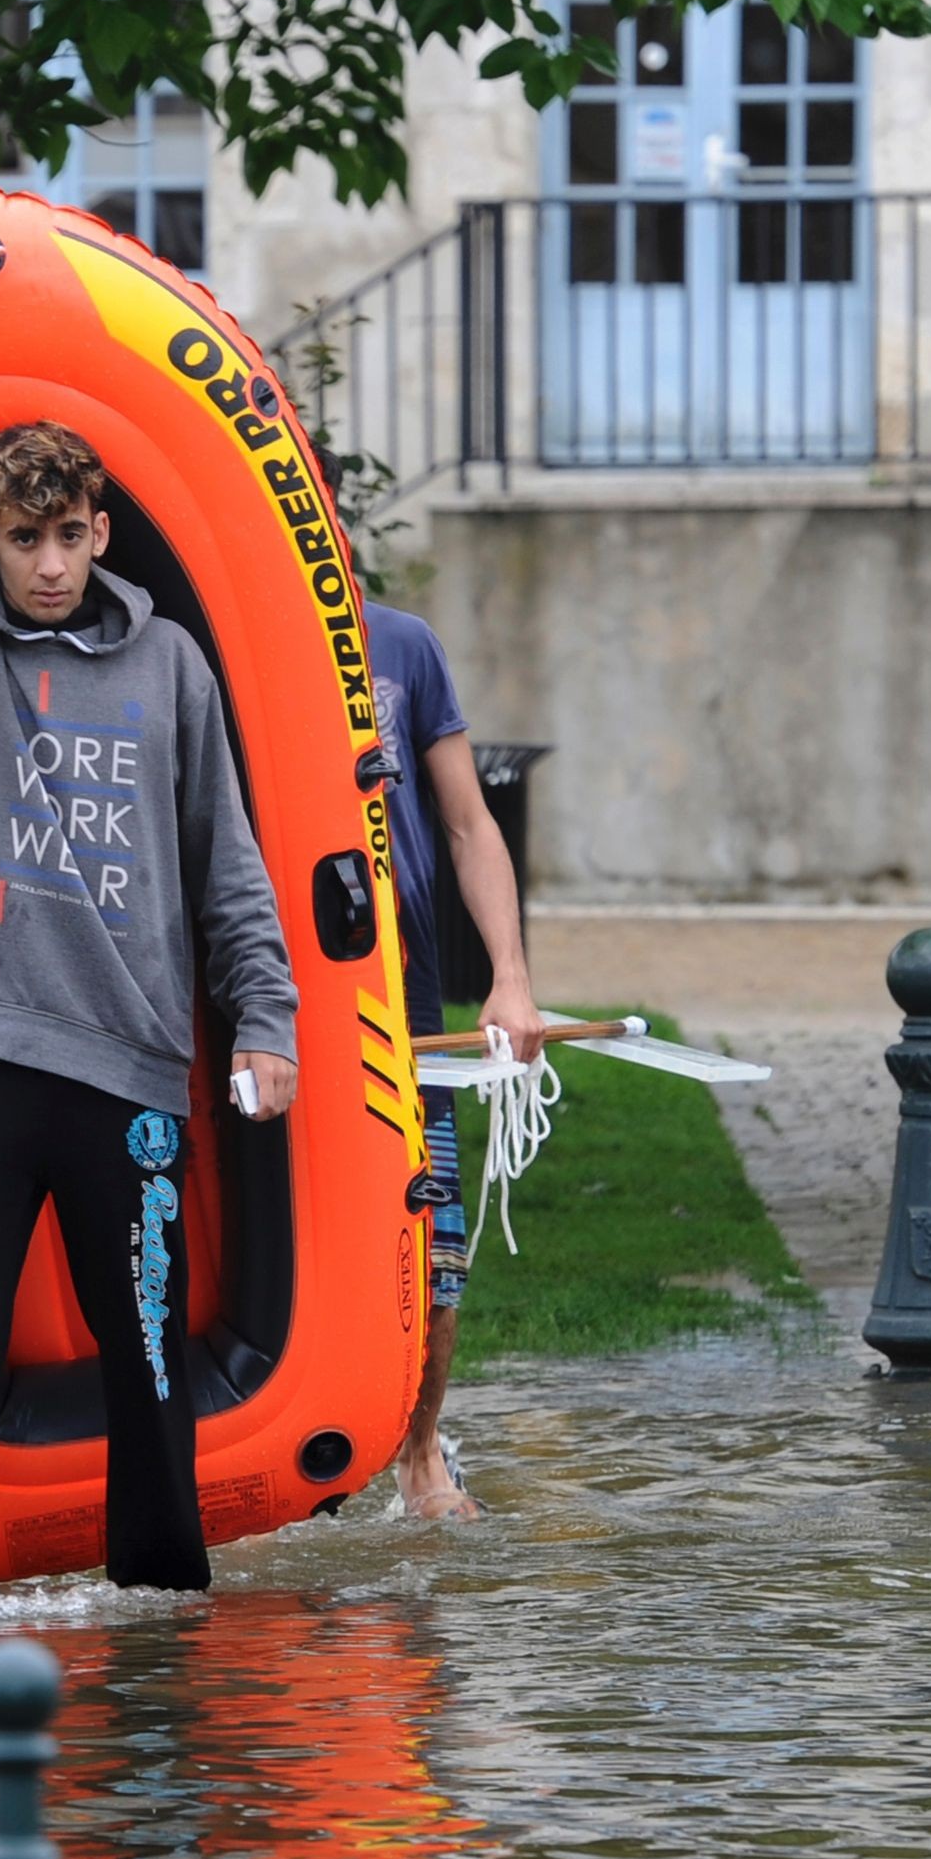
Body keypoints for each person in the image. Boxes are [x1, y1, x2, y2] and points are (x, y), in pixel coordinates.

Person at [0, 223, 301, 1595]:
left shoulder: (170, 667)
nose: (48, 562)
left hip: (129, 1079)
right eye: (23, 538)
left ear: (100, 531)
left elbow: (227, 865)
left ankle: (157, 1612)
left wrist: (265, 1017)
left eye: (68, 536)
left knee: (149, 1368)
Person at [331, 470, 541, 1521]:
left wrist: (509, 976)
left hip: (405, 995)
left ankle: (419, 1455)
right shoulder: (219, 641)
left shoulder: (402, 646)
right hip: (276, 999)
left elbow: (467, 824)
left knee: (434, 1237)